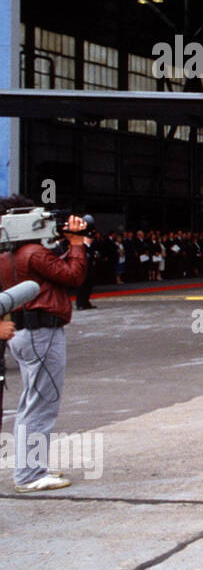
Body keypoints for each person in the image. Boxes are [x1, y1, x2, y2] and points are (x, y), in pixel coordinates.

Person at [0, 198, 88, 492]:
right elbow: (73, 276)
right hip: (42, 333)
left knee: (31, 402)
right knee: (42, 404)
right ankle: (30, 475)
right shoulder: (33, 253)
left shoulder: (10, 255)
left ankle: (31, 467)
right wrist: (76, 244)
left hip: (23, 334)